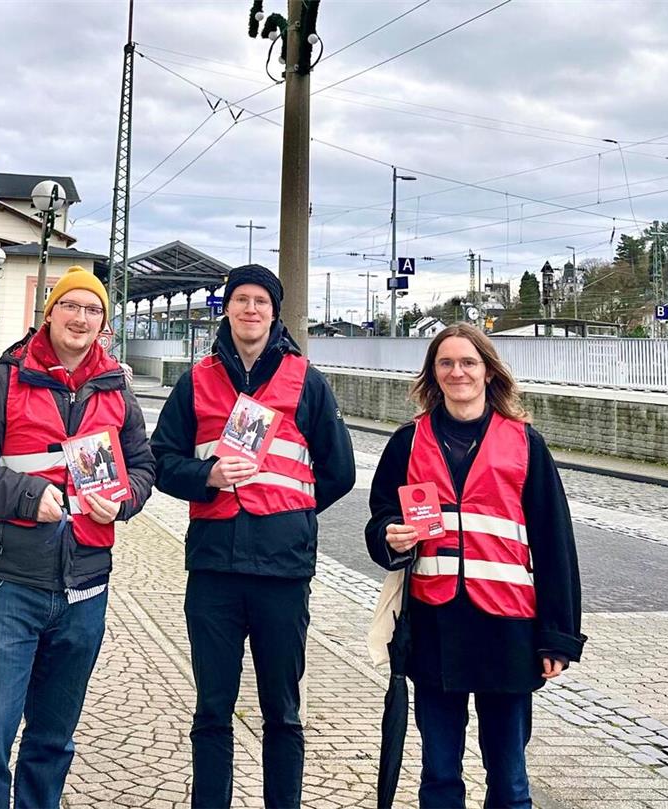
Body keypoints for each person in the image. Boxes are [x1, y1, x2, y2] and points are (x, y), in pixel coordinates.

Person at [0, 266, 155, 809]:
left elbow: (143, 467)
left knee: (53, 740)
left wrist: (124, 501)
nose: (81, 318)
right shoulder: (3, 382)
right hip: (8, 584)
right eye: (70, 306)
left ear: (104, 324)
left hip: (86, 588)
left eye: (92, 310)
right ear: (49, 313)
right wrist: (26, 496)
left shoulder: (118, 391)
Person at [151, 264, 356, 809]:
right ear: (227, 308)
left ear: (274, 312)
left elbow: (339, 471)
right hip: (214, 568)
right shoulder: (197, 381)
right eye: (241, 299)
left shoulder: (306, 380)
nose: (250, 309)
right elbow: (161, 461)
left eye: (261, 301)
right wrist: (208, 477)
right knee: (212, 710)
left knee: (282, 713)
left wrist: (292, 514)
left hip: (281, 571)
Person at [365, 323, 586, 809]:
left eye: (468, 362)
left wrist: (559, 636)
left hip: (507, 631)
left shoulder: (526, 444)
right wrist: (389, 535)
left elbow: (554, 544)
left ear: (488, 372)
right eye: (445, 363)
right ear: (433, 373)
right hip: (434, 628)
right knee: (439, 776)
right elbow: (381, 518)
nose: (457, 372)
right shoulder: (407, 443)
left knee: (509, 782)